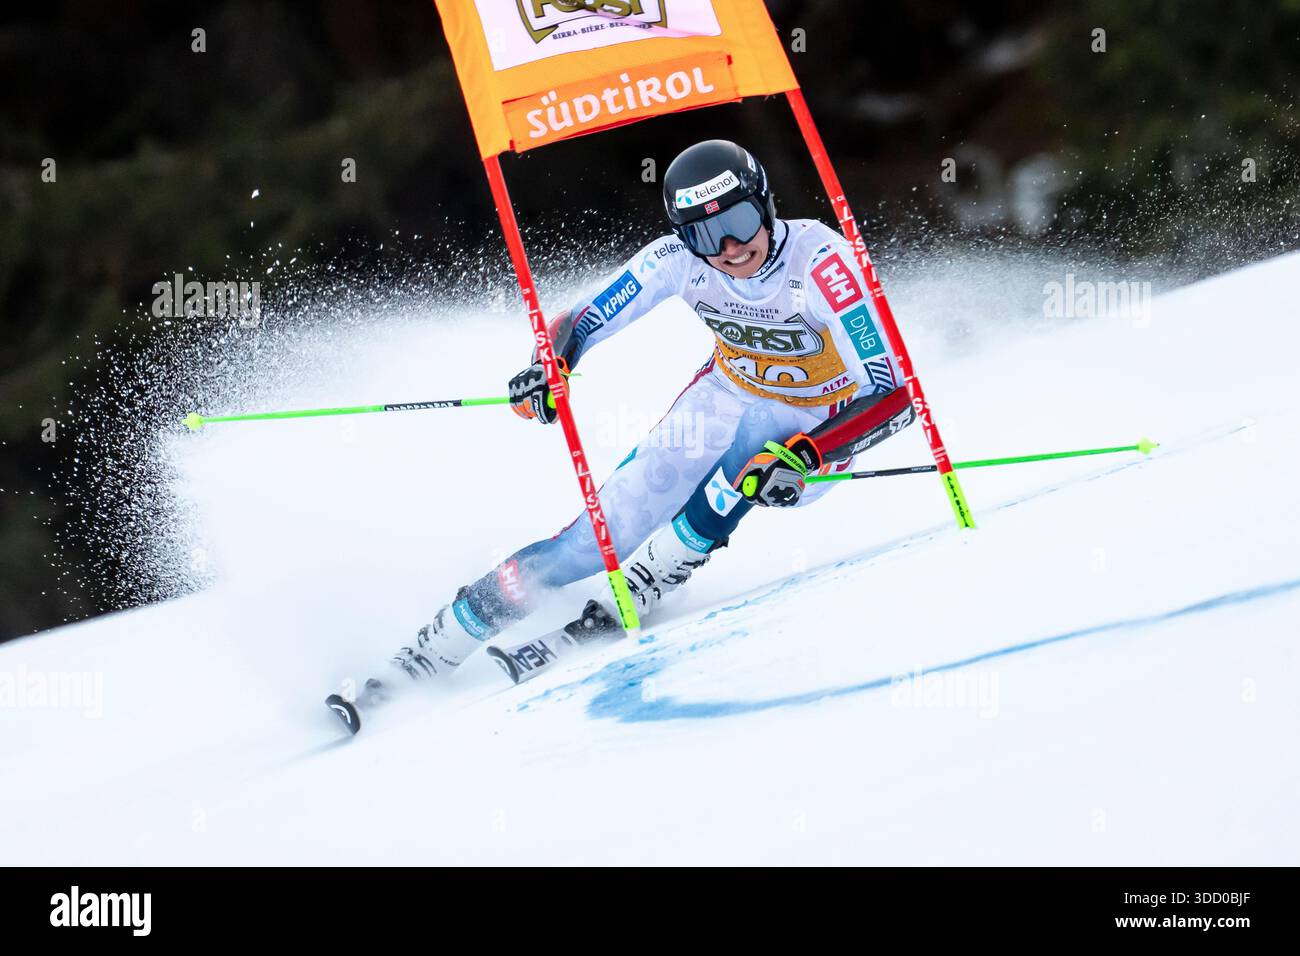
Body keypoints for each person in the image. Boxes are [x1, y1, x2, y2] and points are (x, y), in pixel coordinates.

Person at [391, 139, 916, 680]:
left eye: (738, 221)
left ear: (764, 205)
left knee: (763, 436)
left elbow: (897, 395)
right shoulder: (678, 259)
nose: (729, 246)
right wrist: (551, 366)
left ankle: (652, 578)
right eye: (705, 234)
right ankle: (441, 641)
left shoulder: (822, 265)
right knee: (595, 541)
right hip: (726, 395)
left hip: (821, 428)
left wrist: (811, 451)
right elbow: (582, 319)